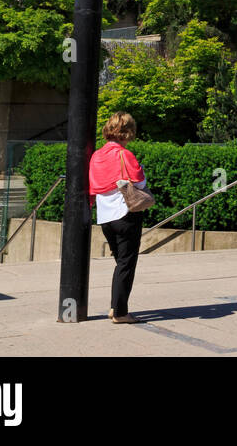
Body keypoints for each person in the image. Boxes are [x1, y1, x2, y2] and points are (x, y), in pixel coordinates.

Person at [88, 112, 148, 324]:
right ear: (128, 132)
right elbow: (139, 183)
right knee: (126, 264)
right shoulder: (125, 155)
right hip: (125, 214)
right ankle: (120, 312)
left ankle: (116, 307)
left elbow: (93, 187)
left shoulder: (96, 156)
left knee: (120, 263)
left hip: (105, 217)